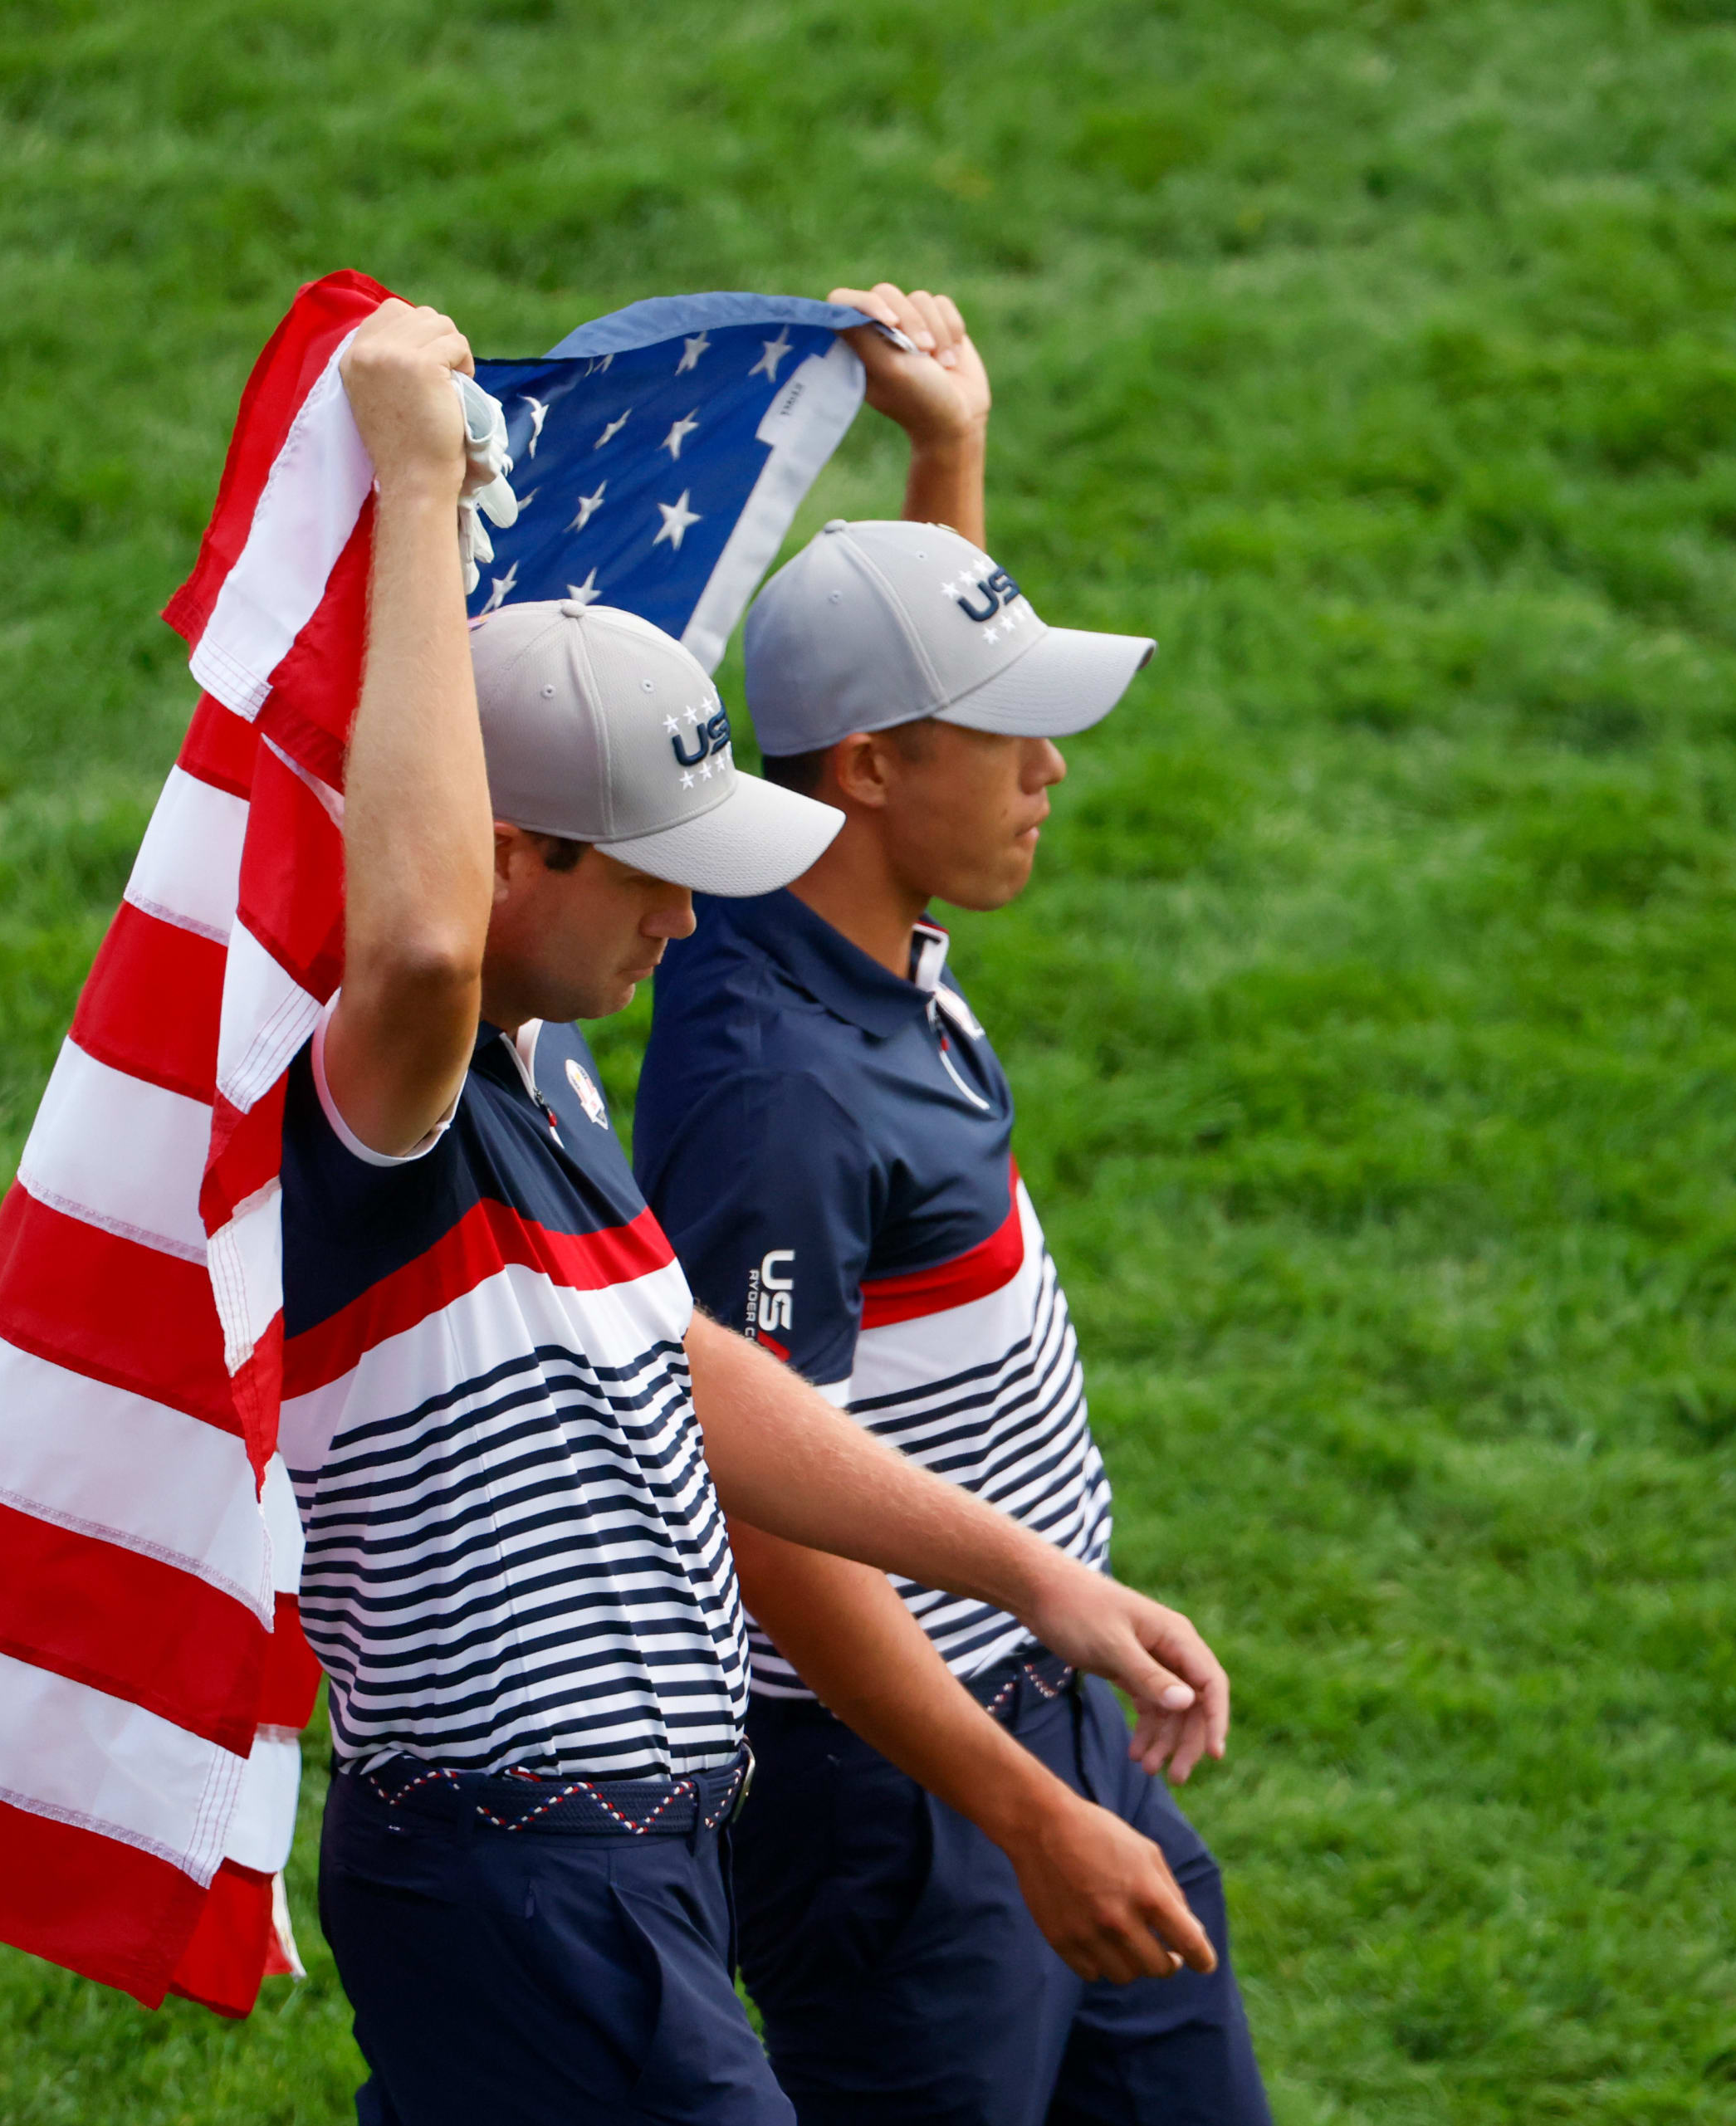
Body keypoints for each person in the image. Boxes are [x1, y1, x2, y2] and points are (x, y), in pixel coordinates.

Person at [296, 297, 1231, 2125]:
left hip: (641, 1850)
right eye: (655, 879)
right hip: (529, 1873)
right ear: (514, 856)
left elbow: (688, 1368)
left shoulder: (555, 1061)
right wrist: (419, 480)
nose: (690, 921)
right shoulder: (401, 1100)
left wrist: (1037, 1574)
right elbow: (414, 934)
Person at [633, 288, 1272, 2123]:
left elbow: (911, 702)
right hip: (901, 1798)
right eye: (1008, 737)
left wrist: (947, 455)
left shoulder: (820, 890)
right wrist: (1024, 1814)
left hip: (1037, 1694)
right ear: (871, 772)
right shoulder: (780, 1101)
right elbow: (762, 1511)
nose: (1051, 770)